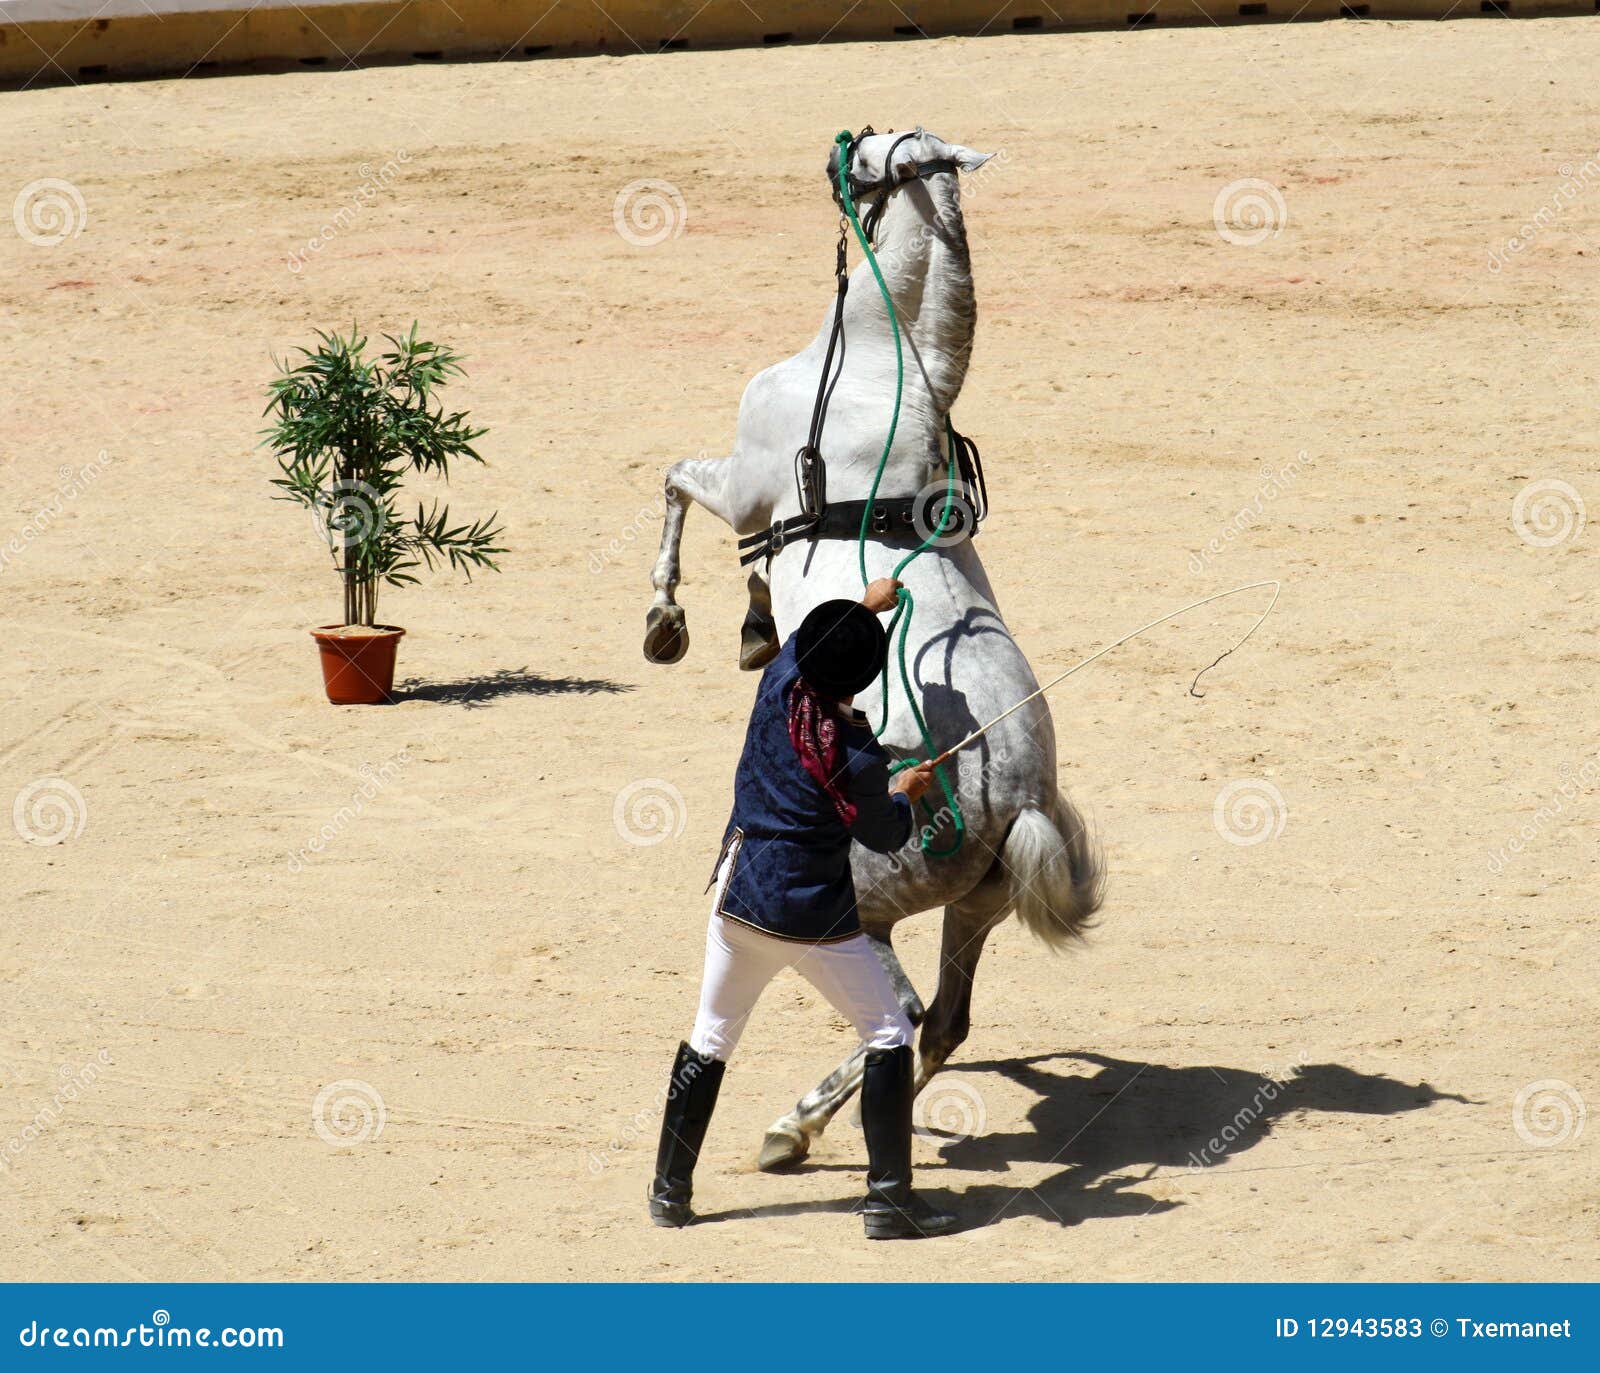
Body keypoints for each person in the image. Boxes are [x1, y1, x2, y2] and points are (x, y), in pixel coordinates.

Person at [648, 577, 957, 1240]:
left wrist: (862, 606)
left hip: (738, 895)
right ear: (861, 679)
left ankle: (669, 1193)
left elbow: (801, 646)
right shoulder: (860, 757)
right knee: (888, 1034)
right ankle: (888, 1199)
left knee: (711, 1035)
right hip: (811, 917)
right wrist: (906, 790)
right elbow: (884, 834)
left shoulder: (776, 686)